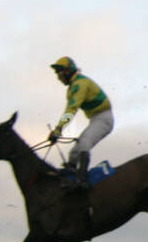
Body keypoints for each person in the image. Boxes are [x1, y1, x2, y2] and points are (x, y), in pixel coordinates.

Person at [47, 56, 114, 191]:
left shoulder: (80, 84)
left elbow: (71, 110)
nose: (58, 77)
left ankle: (81, 180)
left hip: (104, 119)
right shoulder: (72, 88)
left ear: (67, 71)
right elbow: (69, 109)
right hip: (95, 119)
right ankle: (71, 175)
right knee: (74, 153)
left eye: (59, 72)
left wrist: (58, 130)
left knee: (84, 144)